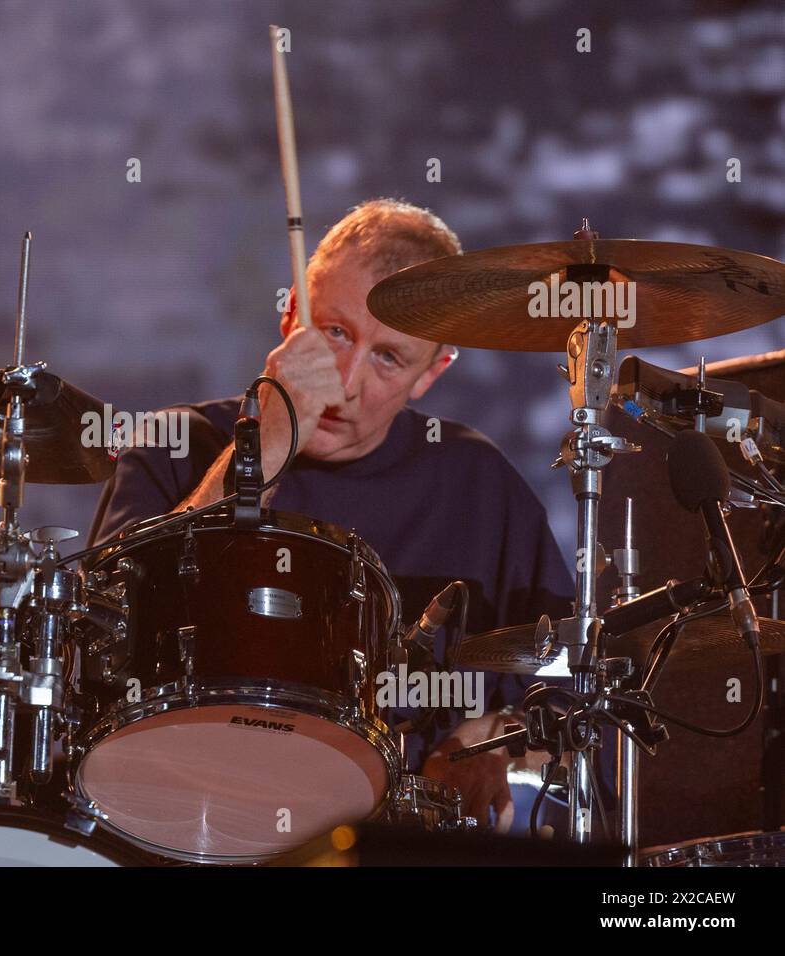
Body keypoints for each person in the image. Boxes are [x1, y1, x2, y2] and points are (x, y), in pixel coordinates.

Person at [88, 198, 573, 829]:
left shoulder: (480, 485)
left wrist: (488, 740)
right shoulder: (174, 444)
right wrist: (257, 452)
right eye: (335, 332)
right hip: (181, 817)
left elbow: (568, 688)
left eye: (389, 358)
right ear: (291, 314)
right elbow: (97, 631)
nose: (345, 381)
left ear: (431, 373)